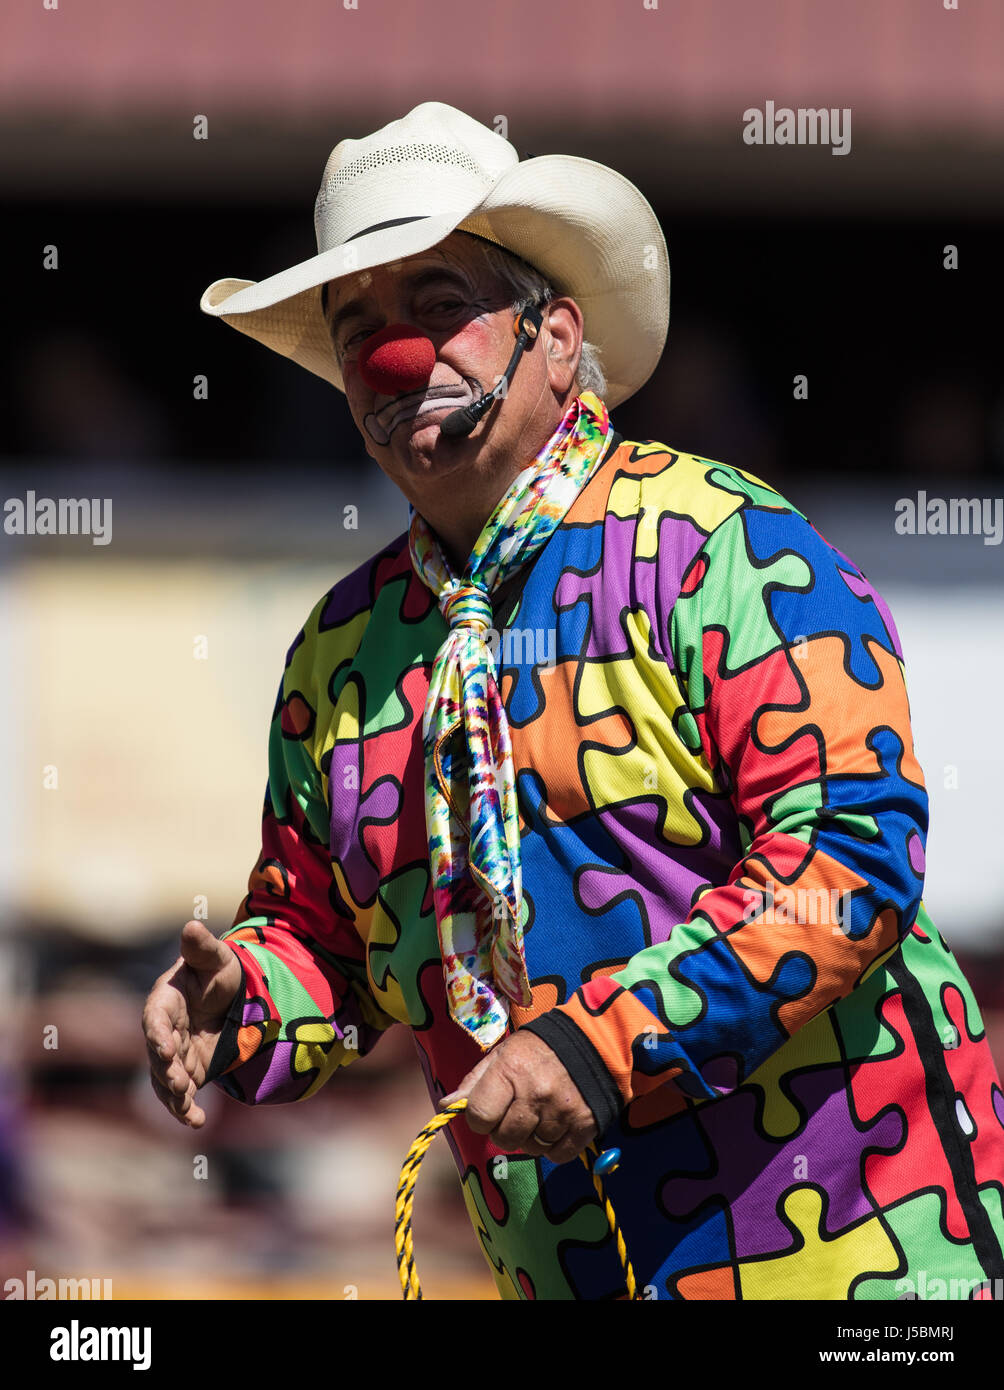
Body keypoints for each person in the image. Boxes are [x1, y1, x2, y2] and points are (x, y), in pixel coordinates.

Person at [142, 101, 1004, 1301]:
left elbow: (849, 863)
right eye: (359, 329)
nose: (396, 357)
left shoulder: (726, 549)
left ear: (555, 335)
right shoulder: (341, 656)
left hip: (863, 1264)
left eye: (440, 307)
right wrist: (245, 999)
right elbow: (328, 950)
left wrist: (602, 1047)